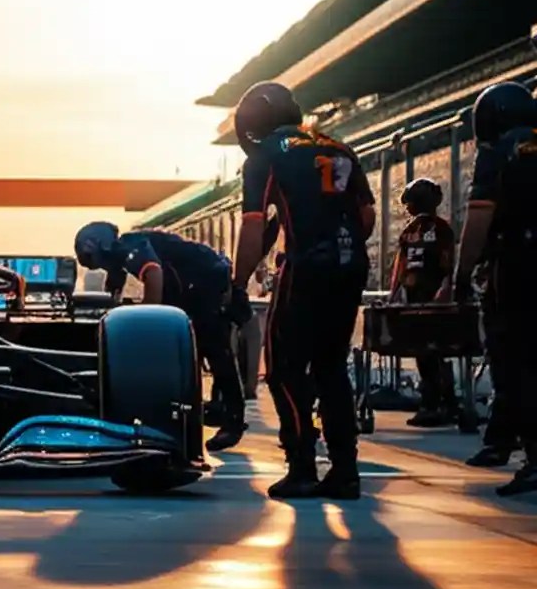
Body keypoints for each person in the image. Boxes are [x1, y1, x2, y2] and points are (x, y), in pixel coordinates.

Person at [230, 81, 376, 500]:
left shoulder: (265, 156)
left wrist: (239, 283)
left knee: (283, 368)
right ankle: (346, 470)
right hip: (350, 268)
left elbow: (253, 226)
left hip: (306, 267)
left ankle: (302, 465)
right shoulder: (339, 146)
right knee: (331, 368)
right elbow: (366, 218)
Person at [74, 221, 250, 452]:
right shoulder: (121, 254)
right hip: (198, 283)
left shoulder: (130, 246)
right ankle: (218, 410)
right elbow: (116, 286)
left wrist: (148, 320)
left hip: (204, 285)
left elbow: (153, 273)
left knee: (214, 349)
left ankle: (232, 421)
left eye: (94, 261)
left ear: (99, 246)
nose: (99, 266)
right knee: (198, 352)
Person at [452, 81, 537, 496]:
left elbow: (480, 217)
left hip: (517, 266)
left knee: (514, 363)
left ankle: (533, 459)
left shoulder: (497, 153)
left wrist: (462, 273)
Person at [389, 178, 457, 427]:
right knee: (424, 352)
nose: (407, 209)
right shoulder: (410, 230)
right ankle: (438, 402)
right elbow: (401, 264)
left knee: (434, 351)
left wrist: (446, 287)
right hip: (414, 296)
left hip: (432, 296)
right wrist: (394, 292)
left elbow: (448, 260)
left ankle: (440, 403)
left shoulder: (440, 229)